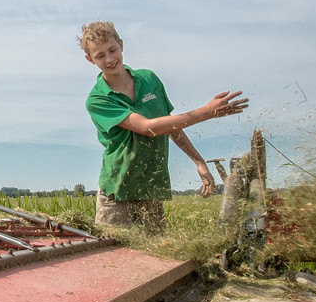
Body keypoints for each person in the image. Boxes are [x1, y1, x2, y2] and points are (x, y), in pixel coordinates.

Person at [80, 21, 248, 231]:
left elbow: (168, 124)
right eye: (100, 56)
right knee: (115, 258)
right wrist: (206, 112)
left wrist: (198, 161)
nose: (110, 59)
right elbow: (149, 128)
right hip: (117, 194)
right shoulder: (98, 99)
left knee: (156, 258)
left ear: (121, 44)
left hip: (151, 188)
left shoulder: (149, 79)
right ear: (90, 59)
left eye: (112, 50)